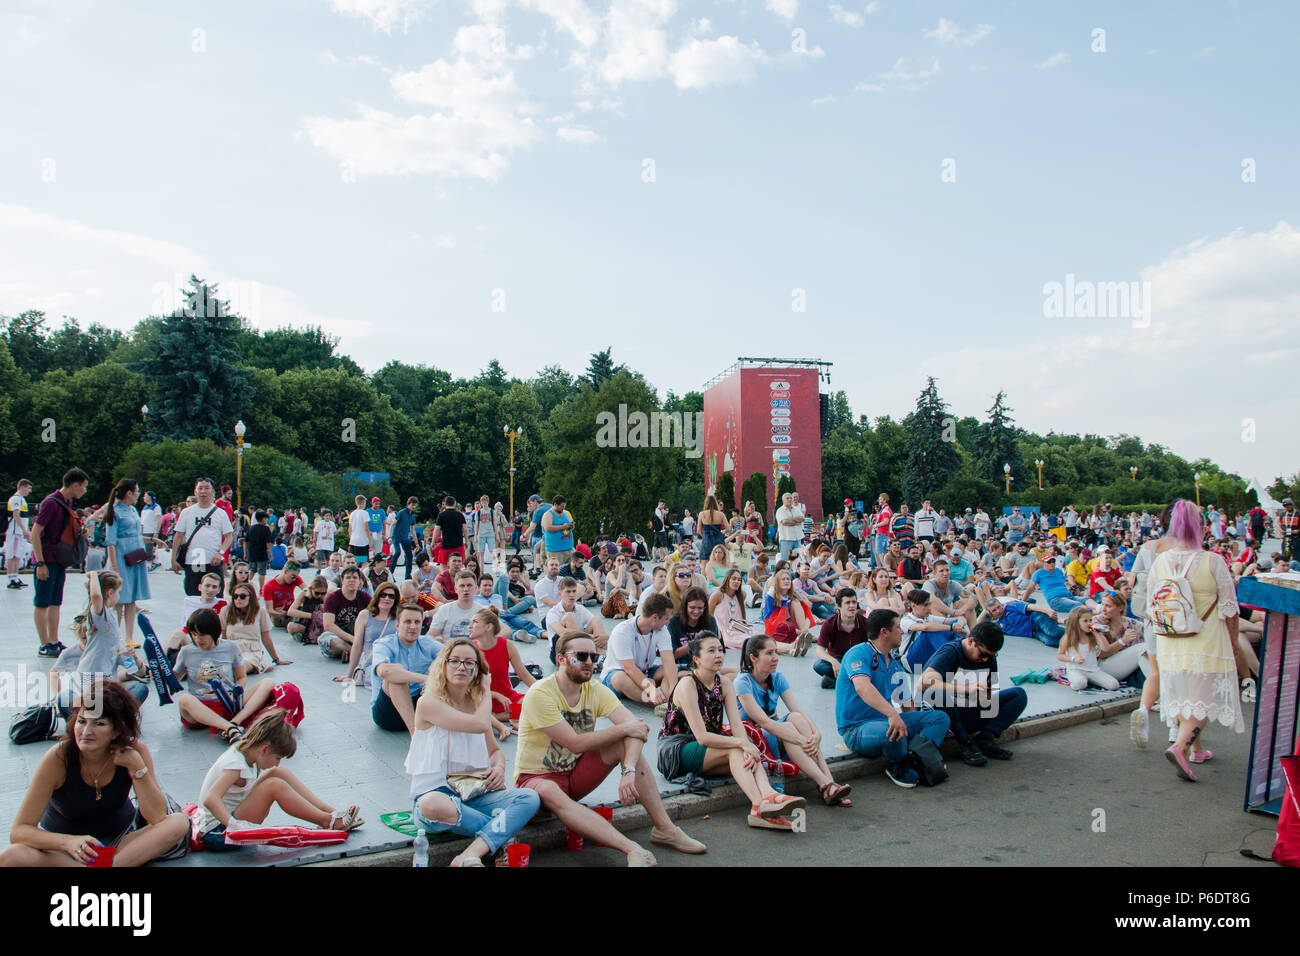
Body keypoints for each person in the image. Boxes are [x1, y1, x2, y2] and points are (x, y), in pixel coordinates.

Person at [0, 679, 190, 867]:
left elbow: (157, 817)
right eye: (82, 721)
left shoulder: (134, 752)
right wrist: (68, 842)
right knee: (10, 856)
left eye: (99, 724)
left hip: (121, 844)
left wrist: (138, 769)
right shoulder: (59, 757)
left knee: (179, 822)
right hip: (65, 851)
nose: (86, 731)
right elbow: (20, 831)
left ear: (117, 730)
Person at [406, 639, 539, 867]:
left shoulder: (476, 705)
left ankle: (469, 855)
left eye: (469, 662)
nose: (461, 667)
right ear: (443, 666)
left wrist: (499, 767)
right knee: (432, 804)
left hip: (473, 794)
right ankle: (502, 837)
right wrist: (487, 690)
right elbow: (478, 724)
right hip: (438, 797)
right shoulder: (428, 703)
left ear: (477, 671)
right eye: (454, 661)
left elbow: (495, 751)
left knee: (529, 797)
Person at [659, 634, 807, 830]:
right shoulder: (688, 685)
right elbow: (702, 737)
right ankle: (760, 803)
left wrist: (746, 745)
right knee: (737, 748)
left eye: (720, 650)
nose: (718, 654)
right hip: (678, 748)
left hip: (710, 746)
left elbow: (737, 727)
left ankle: (766, 799)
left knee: (747, 751)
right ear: (696, 659)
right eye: (711, 651)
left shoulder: (725, 683)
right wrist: (741, 744)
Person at [1152, 500, 1243, 781]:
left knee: (1183, 696)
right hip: (1205, 639)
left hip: (1170, 639)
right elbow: (1230, 609)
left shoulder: (1161, 561)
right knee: (1201, 698)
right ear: (1200, 526)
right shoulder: (1213, 561)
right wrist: (1235, 643)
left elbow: (1151, 606)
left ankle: (1197, 749)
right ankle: (1181, 747)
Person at [196, 709, 361, 847]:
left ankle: (330, 813)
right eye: (277, 758)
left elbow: (274, 767)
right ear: (265, 749)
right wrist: (235, 827)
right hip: (218, 833)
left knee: (280, 773)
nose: (276, 763)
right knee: (274, 786)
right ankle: (327, 822)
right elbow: (210, 798)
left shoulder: (247, 749)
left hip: (228, 819)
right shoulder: (235, 765)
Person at [836, 608, 950, 788]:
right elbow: (862, 688)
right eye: (898, 627)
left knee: (939, 718)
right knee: (894, 728)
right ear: (884, 632)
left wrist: (909, 722)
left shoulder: (895, 666)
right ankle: (899, 764)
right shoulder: (859, 653)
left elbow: (906, 704)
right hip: (856, 729)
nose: (902, 631)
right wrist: (892, 715)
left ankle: (917, 755)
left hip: (885, 722)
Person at [735, 634, 853, 806]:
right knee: (790, 728)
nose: (775, 658)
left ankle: (829, 783)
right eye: (769, 653)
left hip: (776, 733)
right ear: (753, 658)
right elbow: (764, 722)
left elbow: (797, 709)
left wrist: (815, 734)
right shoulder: (742, 682)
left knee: (796, 719)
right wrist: (800, 739)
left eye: (776, 652)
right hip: (755, 738)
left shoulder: (777, 678)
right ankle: (826, 785)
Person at [919, 621, 1027, 767]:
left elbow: (989, 694)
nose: (985, 659)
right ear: (971, 641)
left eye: (991, 656)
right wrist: (965, 689)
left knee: (1018, 695)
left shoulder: (989, 659)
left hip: (970, 711)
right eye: (982, 654)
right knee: (936, 693)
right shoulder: (951, 651)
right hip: (946, 717)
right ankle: (965, 743)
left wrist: (982, 697)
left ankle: (985, 738)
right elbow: (925, 683)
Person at [172, 608, 278, 741]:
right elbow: (174, 681)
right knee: (185, 699)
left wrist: (236, 692)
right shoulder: (186, 652)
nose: (197, 639)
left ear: (213, 632)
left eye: (202, 635)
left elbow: (241, 677)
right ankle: (230, 728)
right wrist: (164, 677)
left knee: (268, 683)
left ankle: (235, 722)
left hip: (227, 703)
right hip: (199, 709)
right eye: (193, 634)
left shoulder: (230, 647)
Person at [30, 467, 91, 658]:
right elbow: (35, 533)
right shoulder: (50, 503)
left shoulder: (66, 502)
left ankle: (54, 641)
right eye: (84, 486)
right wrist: (40, 563)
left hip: (58, 560)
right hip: (47, 559)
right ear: (75, 484)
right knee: (42, 602)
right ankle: (44, 643)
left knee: (55, 601)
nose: (84, 490)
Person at [371, 602, 444, 733]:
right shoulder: (384, 644)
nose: (413, 626)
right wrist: (428, 679)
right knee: (396, 676)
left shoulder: (426, 643)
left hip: (417, 705)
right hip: (388, 712)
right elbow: (384, 671)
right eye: (408, 622)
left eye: (417, 622)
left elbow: (452, 656)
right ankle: (415, 735)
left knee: (449, 666)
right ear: (398, 625)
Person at [100, 478, 151, 647]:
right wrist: (115, 568)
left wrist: (153, 540)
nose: (138, 495)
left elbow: (134, 533)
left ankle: (129, 637)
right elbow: (111, 542)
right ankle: (115, 638)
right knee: (119, 600)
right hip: (122, 557)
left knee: (131, 600)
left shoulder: (133, 510)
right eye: (136, 491)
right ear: (128, 493)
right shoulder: (114, 512)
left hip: (135, 555)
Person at [603, 593, 678, 705]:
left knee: (672, 669)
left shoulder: (661, 630)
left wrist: (673, 692)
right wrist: (651, 691)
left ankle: (668, 699)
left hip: (646, 671)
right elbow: (629, 668)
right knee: (620, 679)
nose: (668, 622)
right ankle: (656, 702)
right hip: (620, 673)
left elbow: (669, 662)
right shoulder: (622, 631)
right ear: (655, 617)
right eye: (666, 618)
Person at [470, 606, 535, 730]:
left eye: (475, 622)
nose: (470, 626)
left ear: (488, 627)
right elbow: (469, 687)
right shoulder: (471, 650)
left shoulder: (506, 645)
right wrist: (495, 695)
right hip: (481, 698)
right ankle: (504, 717)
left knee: (534, 702)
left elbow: (524, 675)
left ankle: (498, 717)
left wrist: (543, 691)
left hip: (507, 698)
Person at [171, 478, 234, 598]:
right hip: (195, 558)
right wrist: (173, 558)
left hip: (213, 560)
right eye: (200, 488)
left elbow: (229, 536)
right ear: (195, 491)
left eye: (207, 488)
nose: (203, 491)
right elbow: (178, 535)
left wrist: (220, 553)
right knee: (194, 594)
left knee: (215, 595)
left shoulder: (220, 513)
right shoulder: (186, 512)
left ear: (213, 492)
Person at [221, 581, 290, 674]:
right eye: (235, 596)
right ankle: (258, 667)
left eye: (242, 596)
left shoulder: (260, 612)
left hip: (251, 651)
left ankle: (254, 666)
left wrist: (276, 659)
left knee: (241, 666)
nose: (238, 599)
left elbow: (266, 638)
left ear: (251, 597)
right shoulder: (226, 611)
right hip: (232, 649)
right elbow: (224, 636)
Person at [813, 588, 870, 689]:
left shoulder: (864, 622)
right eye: (847, 603)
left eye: (853, 602)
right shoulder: (829, 624)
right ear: (838, 606)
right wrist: (833, 661)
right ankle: (853, 679)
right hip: (838, 660)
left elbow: (872, 646)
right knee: (819, 666)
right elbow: (819, 650)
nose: (852, 606)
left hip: (858, 660)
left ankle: (838, 680)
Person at [543, 577, 609, 657]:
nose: (572, 595)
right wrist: (594, 638)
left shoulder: (580, 608)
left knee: (596, 620)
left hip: (580, 643)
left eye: (574, 591)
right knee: (569, 616)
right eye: (568, 591)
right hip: (560, 651)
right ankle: (585, 657)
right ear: (560, 594)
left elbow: (597, 627)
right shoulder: (553, 613)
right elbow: (563, 633)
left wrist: (603, 637)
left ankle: (600, 658)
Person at [319, 565, 371, 660]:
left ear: (360, 581)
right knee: (332, 641)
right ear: (342, 581)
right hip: (338, 635)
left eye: (355, 577)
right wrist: (352, 639)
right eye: (348, 577)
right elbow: (328, 626)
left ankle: (349, 653)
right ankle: (356, 653)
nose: (352, 580)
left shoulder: (365, 597)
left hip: (358, 635)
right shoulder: (332, 598)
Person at [762, 568, 816, 656]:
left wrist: (804, 628)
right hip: (775, 627)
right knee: (769, 643)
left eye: (788, 579)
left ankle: (803, 634)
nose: (786, 581)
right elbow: (773, 620)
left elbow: (807, 614)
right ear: (778, 582)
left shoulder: (792, 595)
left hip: (789, 624)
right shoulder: (771, 595)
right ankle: (799, 640)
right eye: (783, 579)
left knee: (796, 602)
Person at [666, 587, 720, 668]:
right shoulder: (673, 622)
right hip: (680, 667)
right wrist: (694, 643)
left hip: (705, 666)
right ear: (685, 606)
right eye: (692, 607)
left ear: (705, 608)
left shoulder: (710, 620)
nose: (696, 611)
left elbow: (716, 651)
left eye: (700, 608)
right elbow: (672, 655)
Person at [709, 568, 755, 649]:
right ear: (727, 579)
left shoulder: (742, 595)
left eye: (739, 580)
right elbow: (709, 615)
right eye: (733, 578)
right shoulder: (718, 594)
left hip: (739, 628)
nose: (736, 581)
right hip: (725, 631)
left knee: (759, 637)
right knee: (752, 642)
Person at [6, 477, 33, 589]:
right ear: (22, 487)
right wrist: (23, 530)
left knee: (18, 555)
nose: (29, 490)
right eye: (28, 488)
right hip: (15, 532)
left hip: (19, 532)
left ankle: (15, 577)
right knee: (13, 555)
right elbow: (16, 515)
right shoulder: (16, 499)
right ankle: (11, 579)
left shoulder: (22, 499)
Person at [388, 497, 419, 579]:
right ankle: (390, 573)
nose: (414, 507)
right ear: (408, 504)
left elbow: (413, 530)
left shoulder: (412, 515)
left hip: (405, 537)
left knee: (409, 555)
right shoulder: (402, 512)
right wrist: (390, 537)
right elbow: (392, 524)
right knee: (397, 552)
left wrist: (416, 543)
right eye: (412, 505)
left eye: (415, 505)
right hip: (396, 536)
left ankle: (407, 575)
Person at [775, 492, 803, 562]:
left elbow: (802, 519)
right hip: (786, 539)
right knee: (786, 560)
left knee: (797, 560)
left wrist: (790, 520)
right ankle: (786, 573)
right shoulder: (780, 510)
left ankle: (795, 572)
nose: (790, 500)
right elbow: (784, 522)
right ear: (783, 500)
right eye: (787, 498)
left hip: (797, 539)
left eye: (791, 498)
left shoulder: (796, 509)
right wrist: (796, 521)